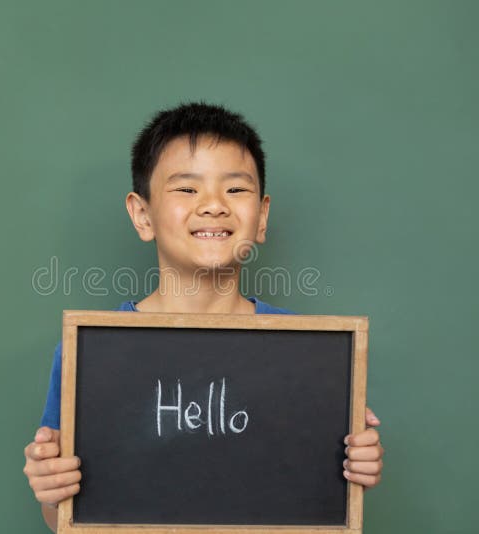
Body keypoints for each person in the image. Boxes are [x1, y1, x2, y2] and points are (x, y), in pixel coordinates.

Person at [22, 102, 384, 531]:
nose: (213, 205)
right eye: (187, 189)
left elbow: (316, 493)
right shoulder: (90, 352)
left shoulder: (304, 353)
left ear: (262, 217)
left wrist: (355, 465)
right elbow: (66, 515)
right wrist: (50, 489)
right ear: (142, 214)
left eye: (235, 189)